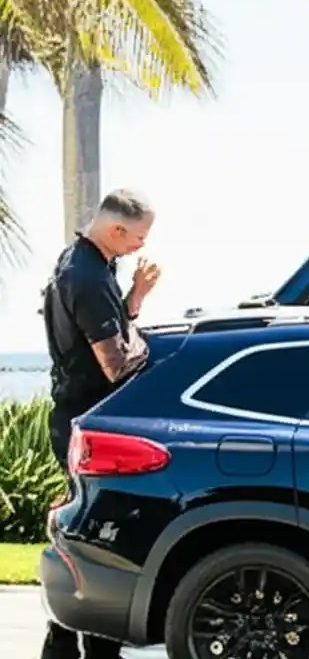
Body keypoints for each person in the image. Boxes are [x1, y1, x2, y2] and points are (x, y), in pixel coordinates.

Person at [39, 189, 161, 659]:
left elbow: (103, 336)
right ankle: (73, 640)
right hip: (83, 423)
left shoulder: (86, 264)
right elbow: (116, 364)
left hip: (78, 417)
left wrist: (135, 298)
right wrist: (158, 354)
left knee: (84, 532)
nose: (140, 247)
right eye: (138, 237)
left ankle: (70, 641)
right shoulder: (87, 276)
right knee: (94, 539)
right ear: (115, 230)